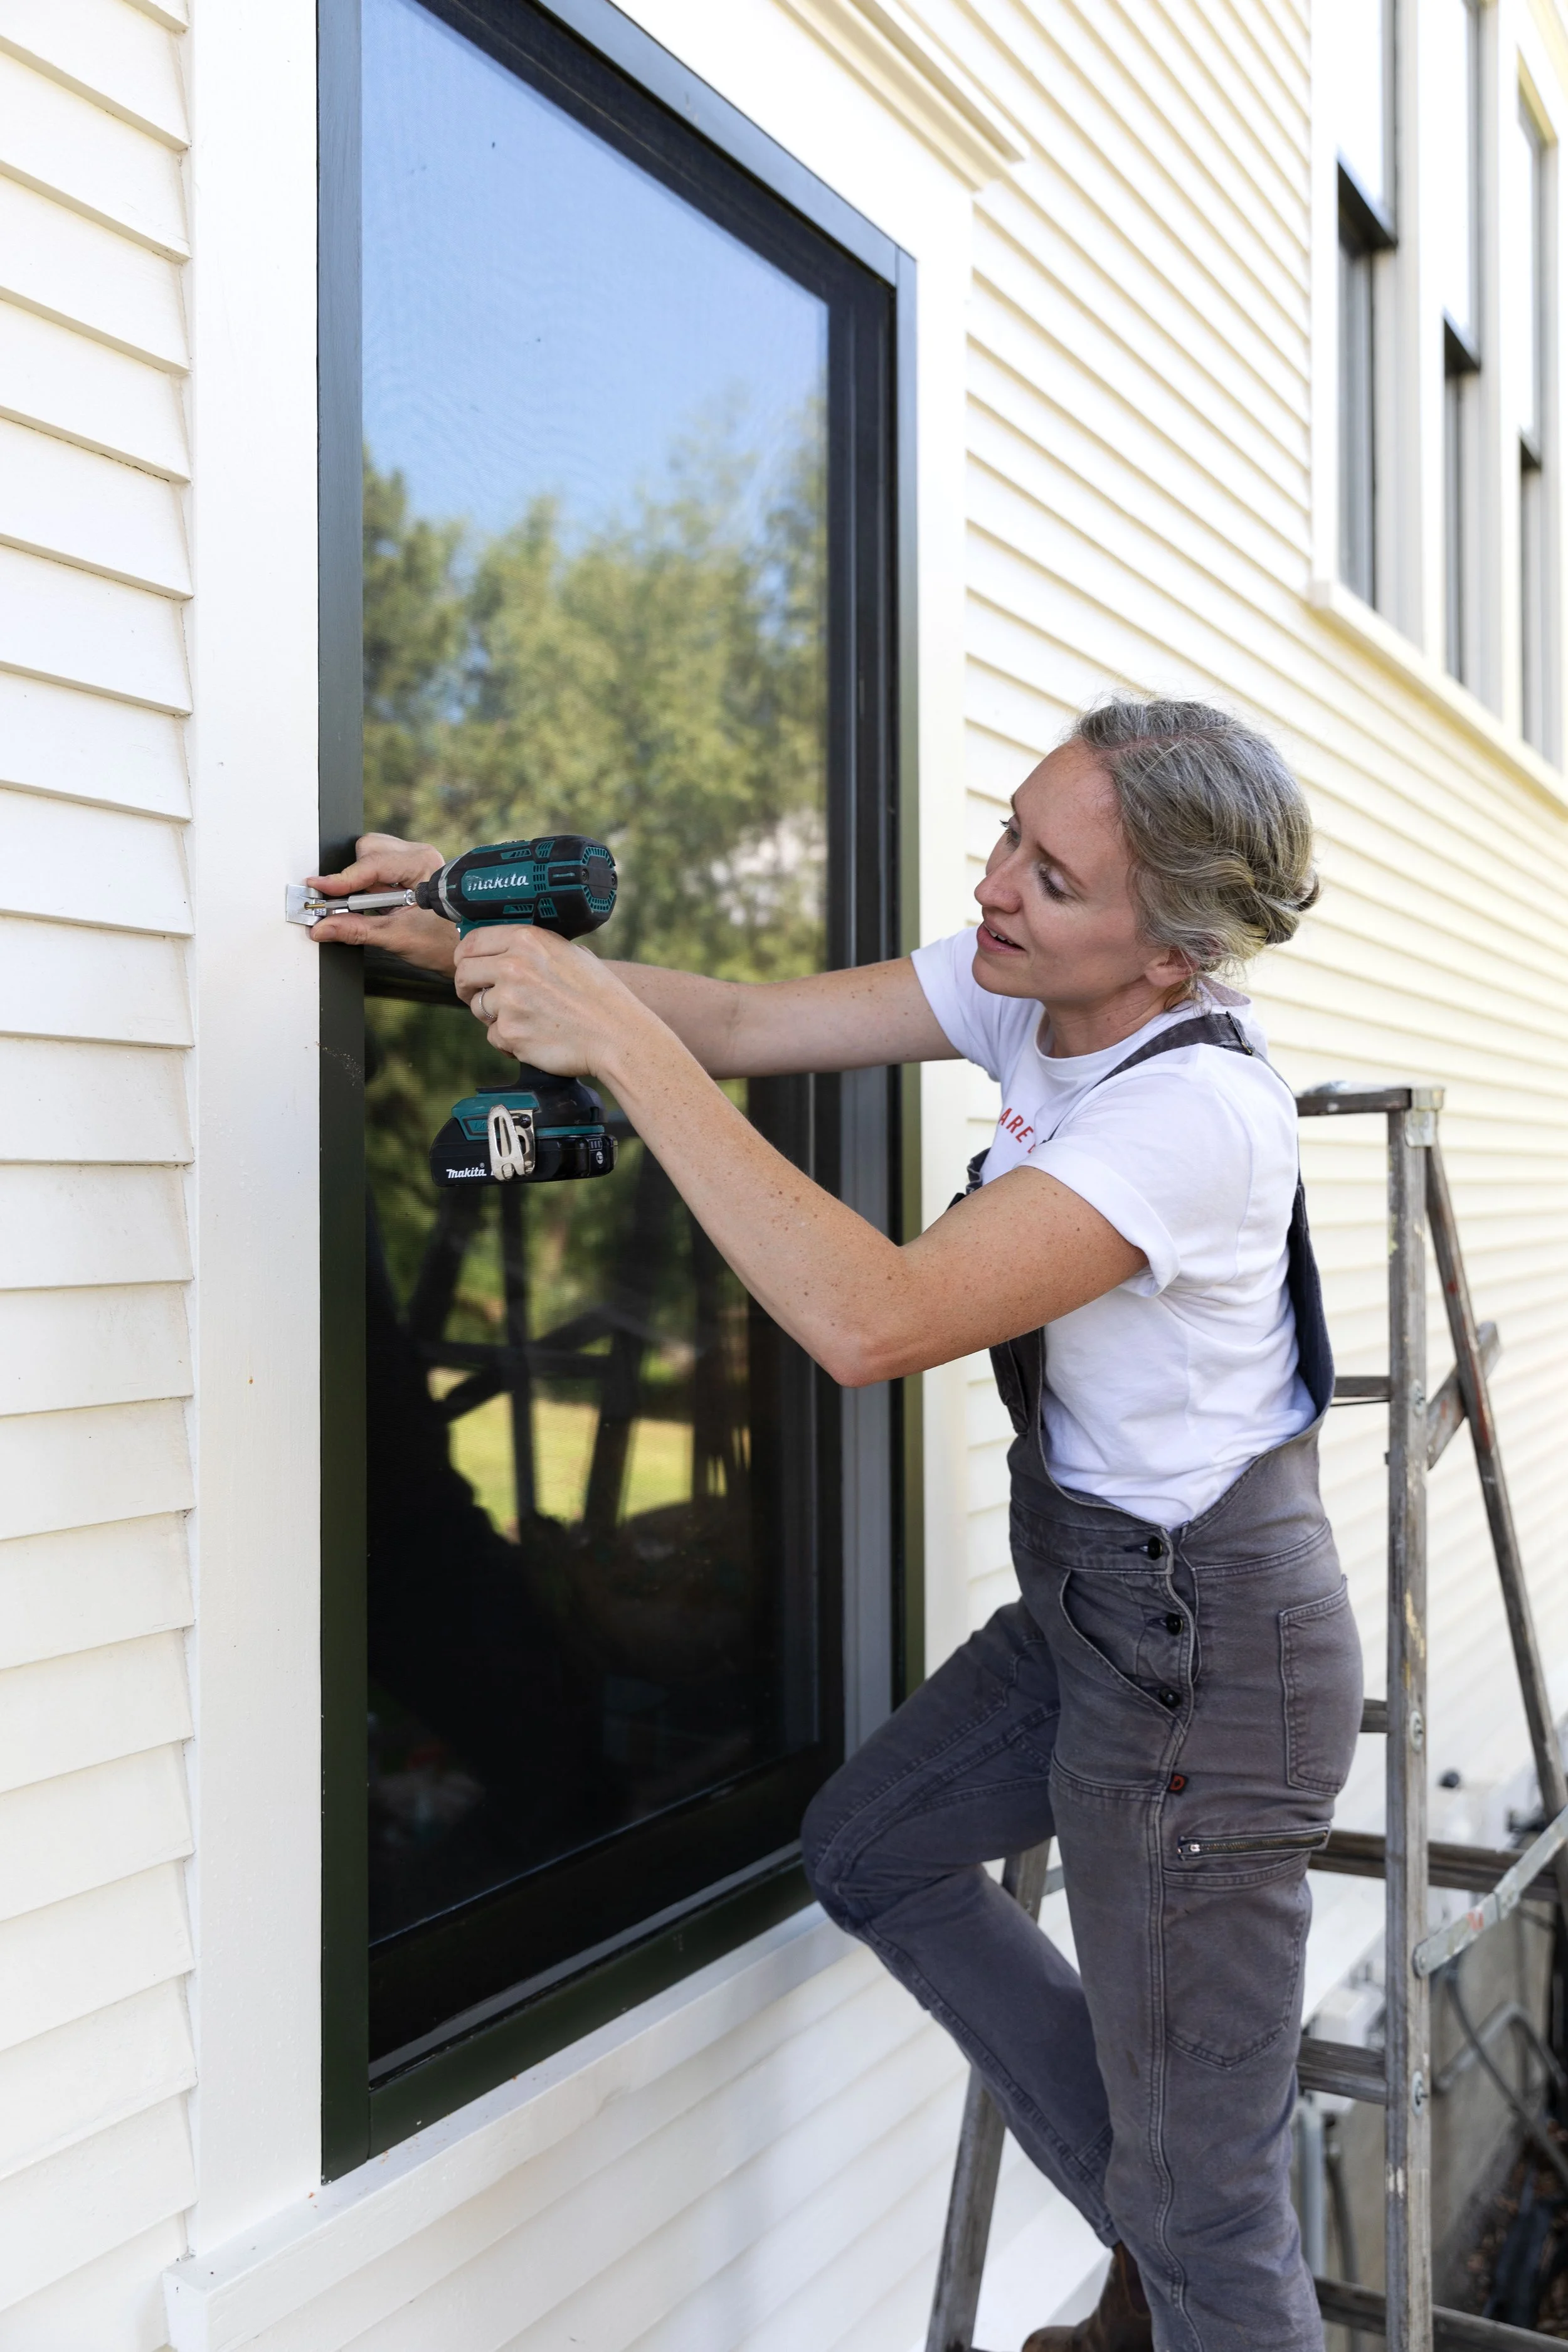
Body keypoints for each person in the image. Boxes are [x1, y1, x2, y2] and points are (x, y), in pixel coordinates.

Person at [310, 697, 1362, 2352]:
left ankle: (1192, 2274)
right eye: (1012, 832)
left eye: (1052, 874)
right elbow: (731, 1014)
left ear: (1167, 956)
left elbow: (874, 1319)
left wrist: (616, 1049)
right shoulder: (1031, 993)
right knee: (878, 1846)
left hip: (1209, 1667)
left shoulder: (1194, 1117)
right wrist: (464, 934)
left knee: (1207, 2202)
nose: (998, 884)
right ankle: (1175, 2266)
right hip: (1095, 1606)